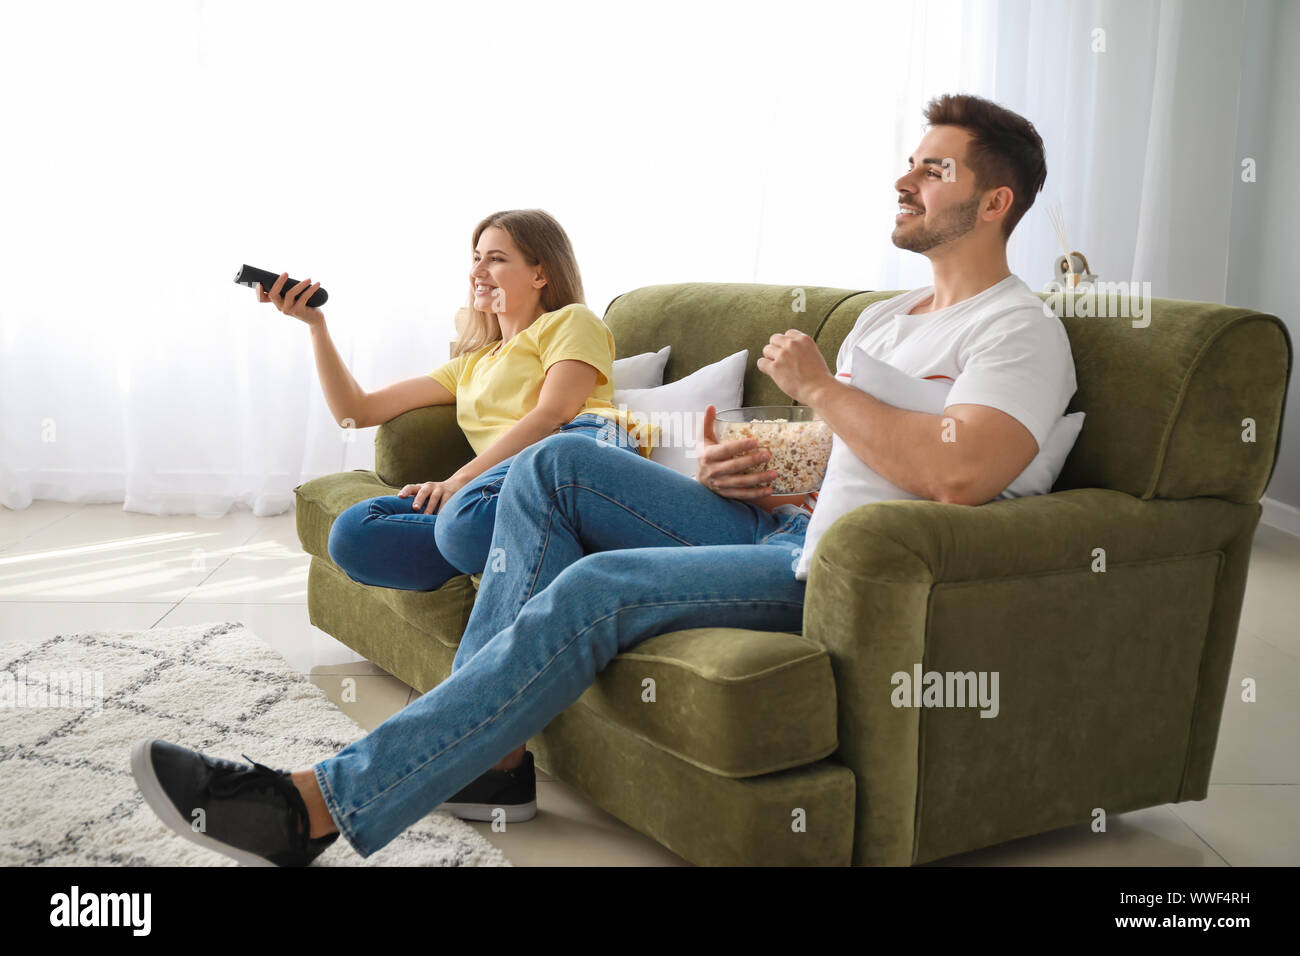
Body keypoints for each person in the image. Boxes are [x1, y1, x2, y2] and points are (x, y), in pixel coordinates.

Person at [129, 93, 1077, 865]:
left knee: (593, 586)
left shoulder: (1017, 332)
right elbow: (859, 455)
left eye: (934, 168)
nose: (904, 179)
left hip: (848, 572)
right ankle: (489, 758)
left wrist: (820, 391)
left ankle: (313, 808)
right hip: (787, 524)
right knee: (558, 460)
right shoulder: (891, 319)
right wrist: (765, 467)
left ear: (995, 203)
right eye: (910, 161)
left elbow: (957, 474)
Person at [264, 208, 653, 594]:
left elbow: (555, 414)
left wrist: (460, 481)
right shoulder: (469, 366)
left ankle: (524, 536)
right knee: (354, 533)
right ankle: (547, 545)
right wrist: (316, 325)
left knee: (467, 520)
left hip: (578, 452)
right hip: (498, 491)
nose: (478, 271)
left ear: (541, 273)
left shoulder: (570, 321)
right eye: (476, 258)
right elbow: (355, 411)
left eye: (496, 259)